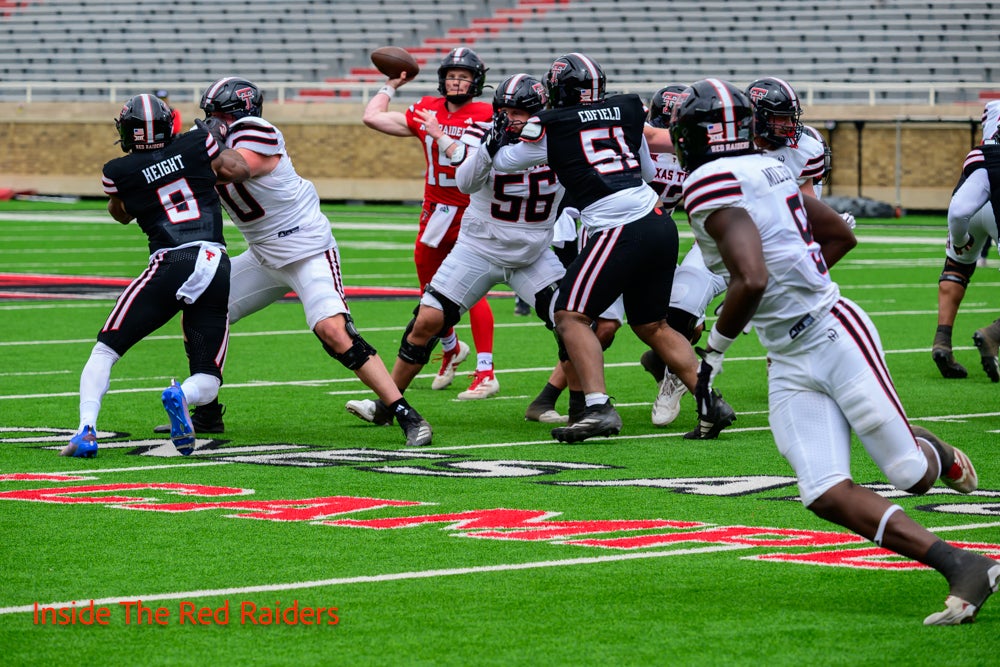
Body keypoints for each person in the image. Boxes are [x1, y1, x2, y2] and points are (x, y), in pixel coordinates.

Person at [670, 77, 998, 625]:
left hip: (831, 331)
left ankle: (933, 452)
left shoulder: (709, 181)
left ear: (697, 136)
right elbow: (839, 236)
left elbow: (749, 280)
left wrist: (714, 353)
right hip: (788, 349)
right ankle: (962, 563)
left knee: (911, 476)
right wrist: (798, 278)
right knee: (822, 489)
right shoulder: (771, 165)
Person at [155, 76, 433, 447]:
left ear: (243, 113)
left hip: (306, 250)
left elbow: (236, 168)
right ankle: (206, 411)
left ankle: (405, 414)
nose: (216, 120)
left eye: (222, 114)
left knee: (335, 333)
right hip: (263, 255)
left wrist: (198, 148)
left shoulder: (258, 131)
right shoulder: (210, 145)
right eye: (211, 115)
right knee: (198, 312)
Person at [492, 53, 736, 443]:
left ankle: (598, 407)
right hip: (658, 221)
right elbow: (650, 173)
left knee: (569, 315)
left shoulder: (548, 125)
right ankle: (711, 401)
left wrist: (499, 137)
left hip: (618, 226)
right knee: (651, 324)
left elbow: (505, 162)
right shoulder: (625, 110)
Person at [345, 73, 567, 424]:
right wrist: (490, 147)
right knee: (427, 319)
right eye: (506, 110)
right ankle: (387, 404)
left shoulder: (562, 140)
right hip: (478, 247)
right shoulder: (484, 133)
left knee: (580, 325)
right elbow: (465, 180)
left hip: (533, 253)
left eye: (521, 111)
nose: (513, 118)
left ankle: (566, 402)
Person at [61, 94, 251, 458]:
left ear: (127, 133)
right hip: (215, 260)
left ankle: (86, 429)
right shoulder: (197, 142)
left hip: (172, 261)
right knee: (208, 376)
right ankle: (183, 395)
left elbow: (120, 214)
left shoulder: (118, 170)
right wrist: (216, 141)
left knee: (105, 350)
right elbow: (239, 170)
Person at [362, 47, 500, 399]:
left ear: (476, 81)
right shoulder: (428, 108)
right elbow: (373, 118)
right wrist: (391, 85)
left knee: (469, 289)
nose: (456, 82)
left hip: (471, 210)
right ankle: (452, 348)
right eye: (452, 76)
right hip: (435, 211)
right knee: (431, 292)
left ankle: (485, 371)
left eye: (464, 77)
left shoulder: (486, 114)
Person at [932, 100, 1000, 381]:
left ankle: (942, 342)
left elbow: (959, 211)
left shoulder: (982, 148)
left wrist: (960, 240)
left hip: (975, 181)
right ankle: (994, 334)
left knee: (956, 268)